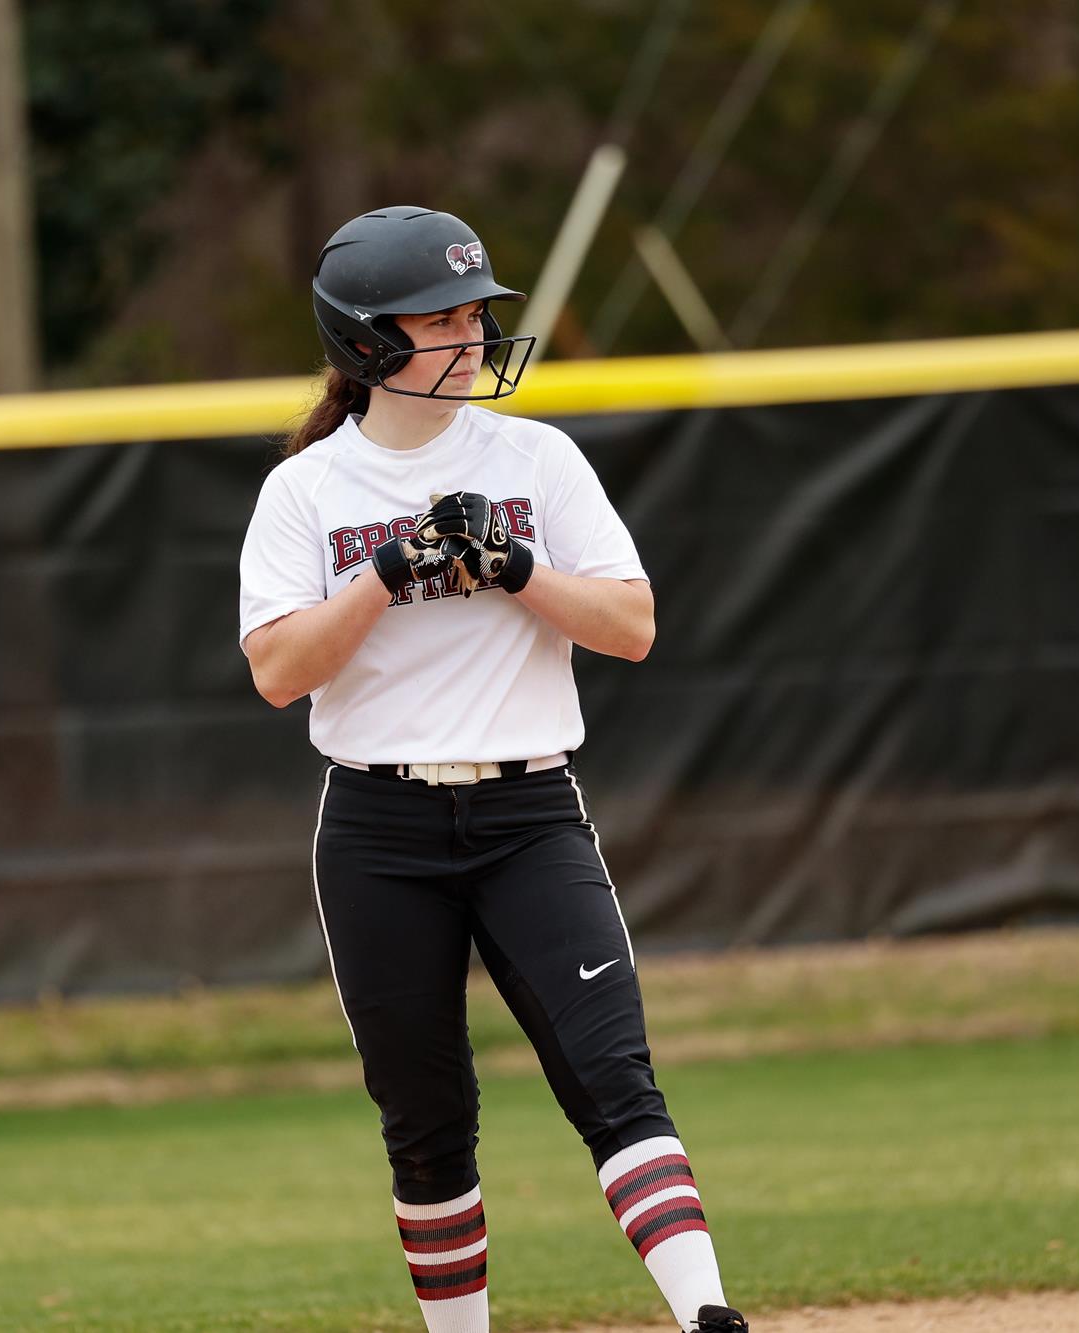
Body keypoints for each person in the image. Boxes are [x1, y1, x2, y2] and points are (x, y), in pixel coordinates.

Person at [237, 204, 749, 1333]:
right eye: (447, 319)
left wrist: (511, 564)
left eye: (477, 315)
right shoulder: (306, 492)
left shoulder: (536, 457)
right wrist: (385, 572)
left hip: (528, 813)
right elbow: (279, 670)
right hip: (377, 830)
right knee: (425, 1120)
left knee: (613, 1079)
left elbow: (630, 625)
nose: (475, 338)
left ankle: (711, 1318)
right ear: (369, 342)